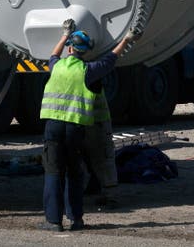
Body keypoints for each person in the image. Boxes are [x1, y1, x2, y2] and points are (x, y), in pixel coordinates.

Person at [39, 20, 139, 232]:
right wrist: (126, 40)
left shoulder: (56, 67)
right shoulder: (88, 71)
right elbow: (111, 59)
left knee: (54, 173)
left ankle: (53, 221)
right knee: (75, 174)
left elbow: (53, 55)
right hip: (75, 129)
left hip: (54, 127)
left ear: (70, 48)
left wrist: (64, 35)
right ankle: (76, 219)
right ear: (87, 52)